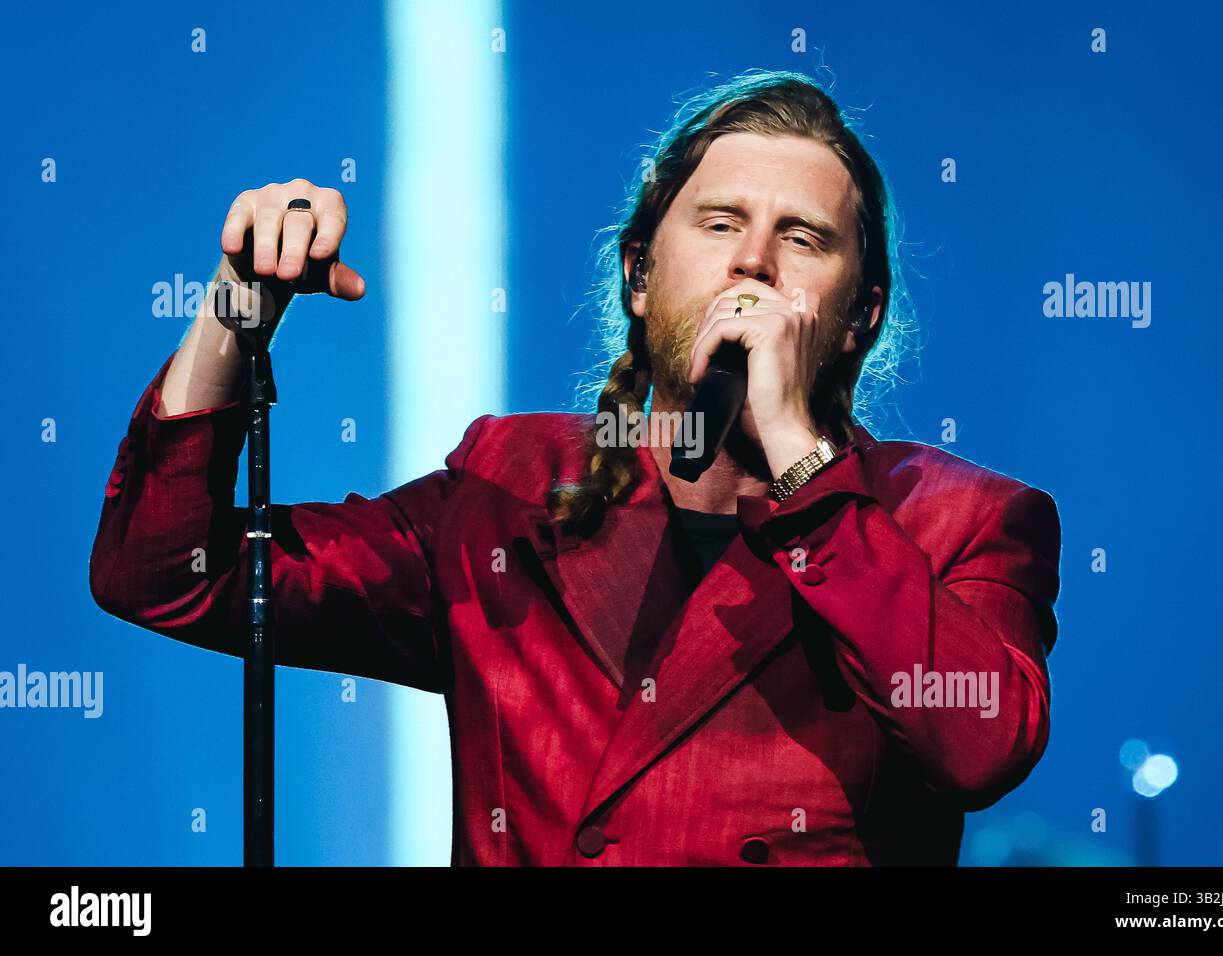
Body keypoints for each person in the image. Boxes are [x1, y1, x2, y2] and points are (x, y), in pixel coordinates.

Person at [89, 71, 1062, 866]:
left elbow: (980, 744)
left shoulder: (956, 519)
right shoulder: (508, 493)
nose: (754, 261)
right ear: (640, 275)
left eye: (802, 239)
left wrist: (803, 464)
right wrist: (234, 310)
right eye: (719, 224)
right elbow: (165, 572)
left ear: (861, 315)